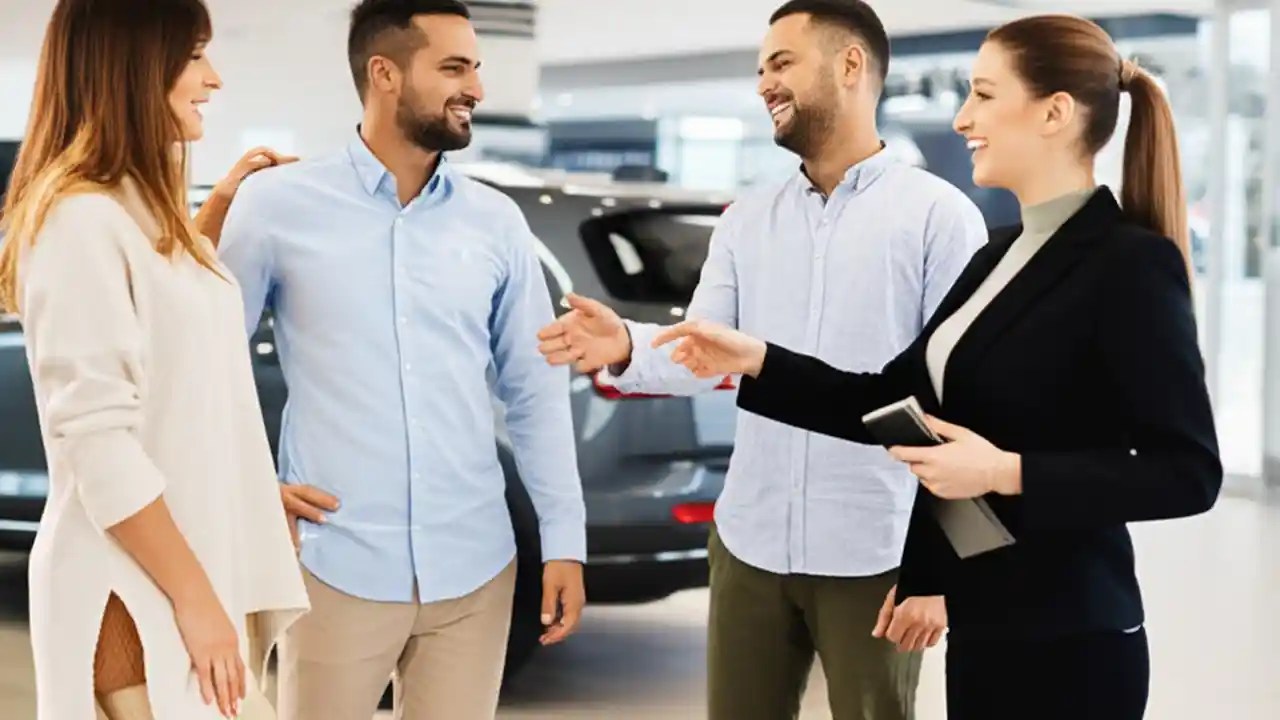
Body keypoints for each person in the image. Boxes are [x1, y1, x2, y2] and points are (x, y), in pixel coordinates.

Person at [648, 14, 1222, 720]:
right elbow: (897, 401)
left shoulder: (1129, 263)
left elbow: (1187, 471)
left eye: (982, 95)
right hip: (990, 629)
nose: (960, 119)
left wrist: (1004, 471)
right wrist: (759, 361)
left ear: (1054, 113)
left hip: (1074, 638)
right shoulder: (997, 257)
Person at [538, 2, 985, 718]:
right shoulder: (748, 219)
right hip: (749, 541)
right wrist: (626, 343)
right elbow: (705, 349)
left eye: (781, 63)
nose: (763, 84)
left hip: (874, 549)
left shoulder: (939, 216)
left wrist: (937, 571)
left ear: (850, 66)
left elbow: (955, 401)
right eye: (759, 69)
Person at [215, 1, 587, 718]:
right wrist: (249, 487)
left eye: (476, 67)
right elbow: (206, 369)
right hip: (335, 566)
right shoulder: (274, 206)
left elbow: (535, 390)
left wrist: (565, 540)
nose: (476, 88)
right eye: (454, 68)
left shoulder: (496, 221)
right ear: (384, 73)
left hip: (476, 567)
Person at [0, 1, 310, 718]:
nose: (214, 78)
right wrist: (197, 602)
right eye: (195, 54)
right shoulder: (77, 218)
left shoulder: (134, 207)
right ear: (135, 65)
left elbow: (172, 345)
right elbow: (98, 442)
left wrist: (245, 491)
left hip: (173, 578)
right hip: (138, 594)